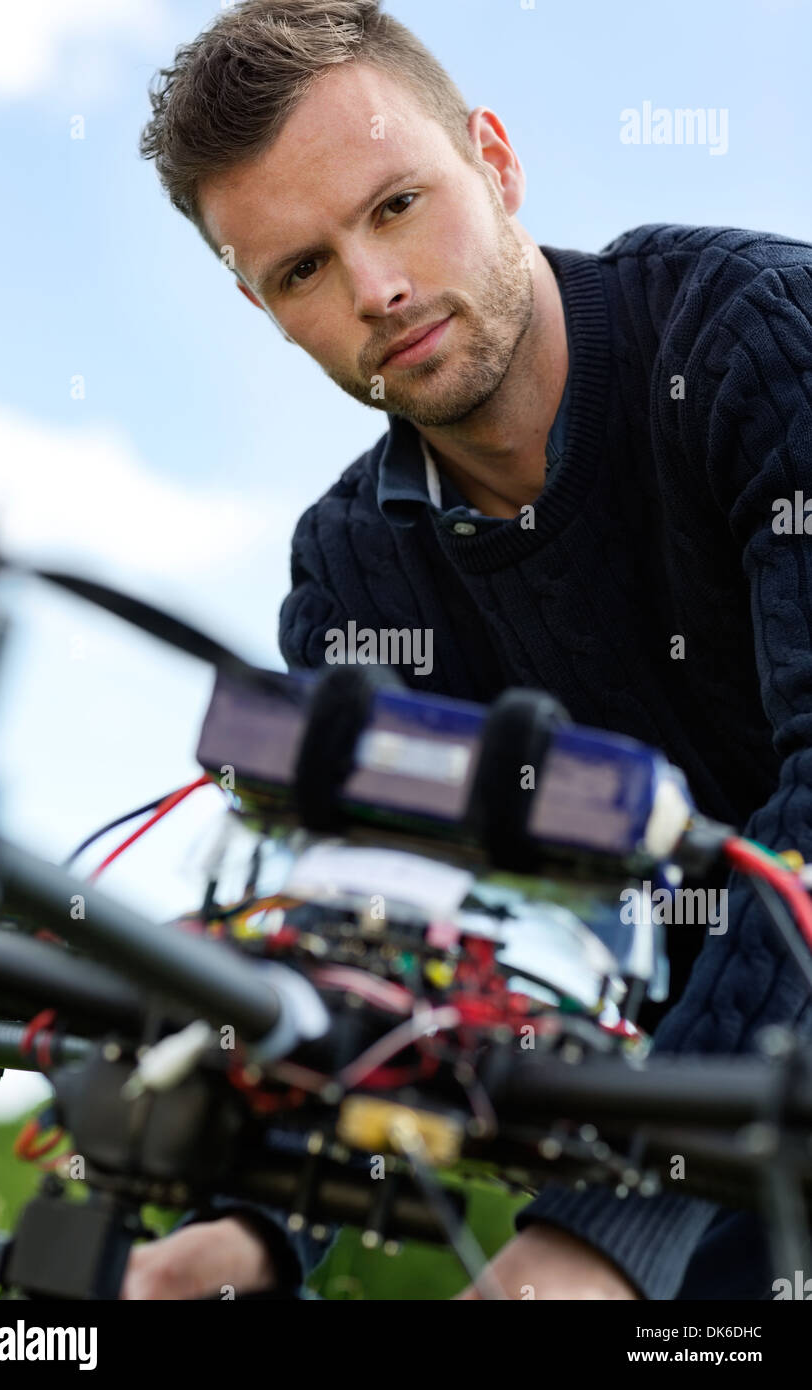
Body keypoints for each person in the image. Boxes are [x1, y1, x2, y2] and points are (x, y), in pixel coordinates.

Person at [126, 0, 812, 1300]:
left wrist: (604, 1234)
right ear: (260, 305)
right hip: (719, 1170)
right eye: (302, 270)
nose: (375, 291)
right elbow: (370, 945)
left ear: (494, 160)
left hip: (682, 1162)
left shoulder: (762, 340)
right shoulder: (350, 572)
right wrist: (251, 1227)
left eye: (396, 205)